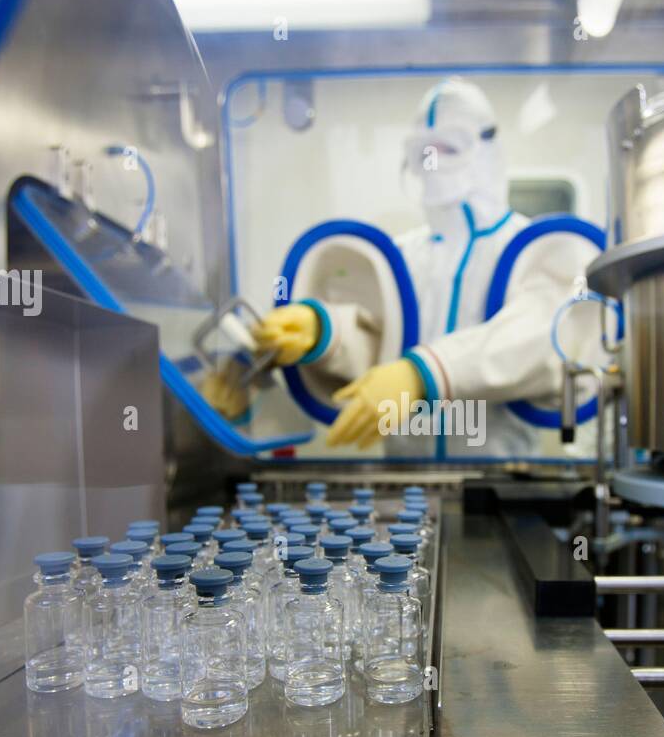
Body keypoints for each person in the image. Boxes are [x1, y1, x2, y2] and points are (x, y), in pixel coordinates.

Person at [211, 77, 603, 457]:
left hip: (500, 481)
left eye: (449, 148)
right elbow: (378, 344)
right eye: (422, 152)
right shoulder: (403, 257)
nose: (433, 163)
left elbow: (545, 339)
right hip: (403, 477)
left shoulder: (531, 252)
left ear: (488, 151)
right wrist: (324, 335)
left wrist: (425, 375)